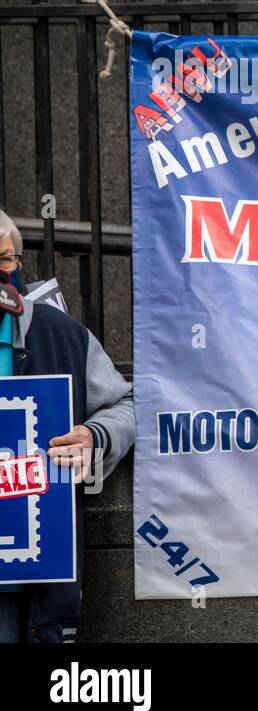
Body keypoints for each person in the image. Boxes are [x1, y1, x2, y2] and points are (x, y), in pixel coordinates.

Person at [0, 209, 135, 642]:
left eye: (5, 258)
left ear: (20, 265)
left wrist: (95, 438)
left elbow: (126, 403)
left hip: (32, 587)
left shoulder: (62, 335)